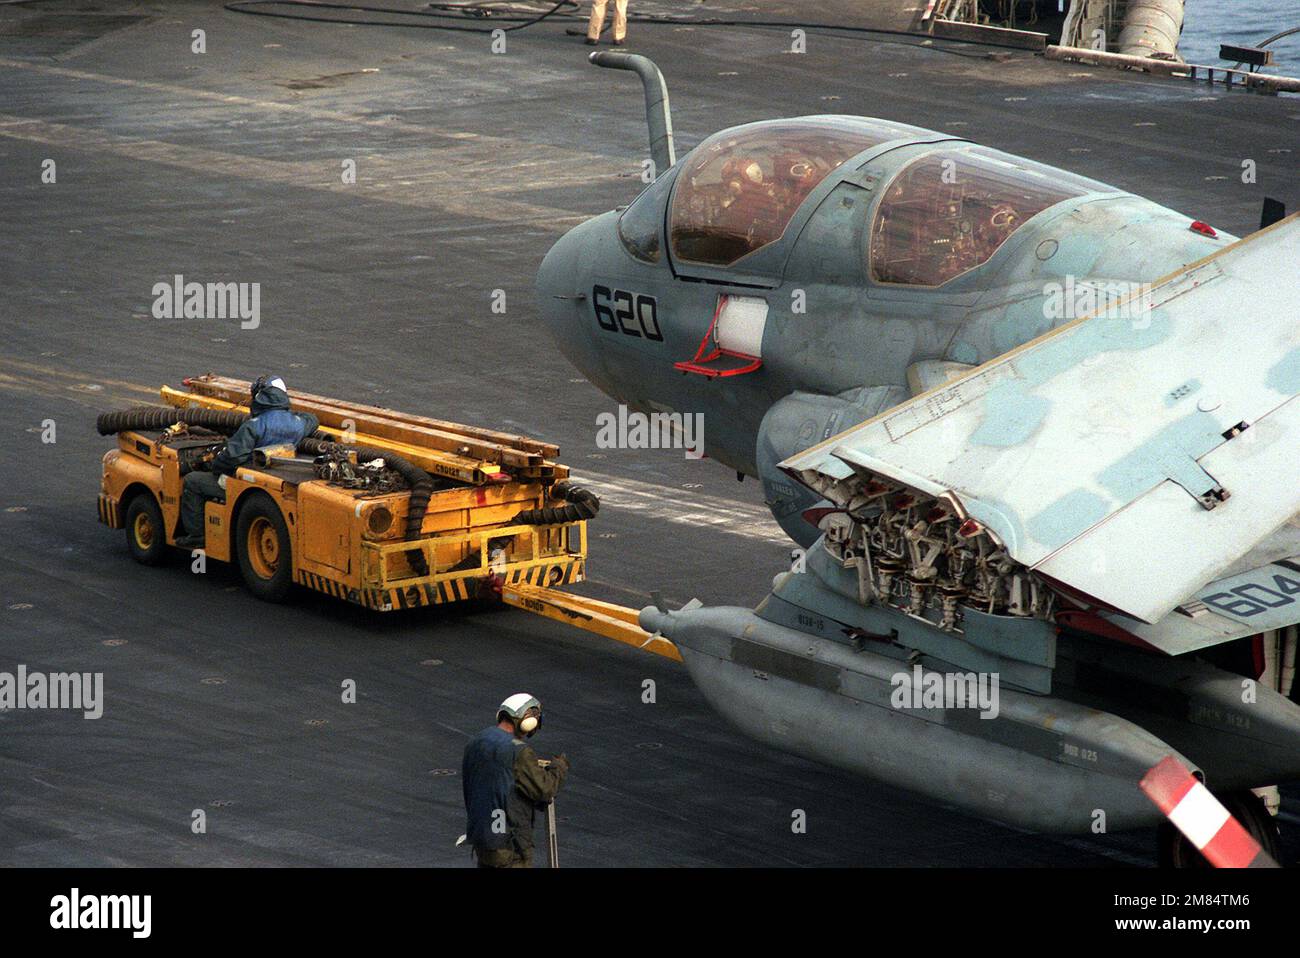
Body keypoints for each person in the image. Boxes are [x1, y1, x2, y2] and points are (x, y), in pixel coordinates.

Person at [175, 376, 319, 549]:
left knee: (192, 481)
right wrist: (287, 415)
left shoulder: (254, 426)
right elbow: (312, 419)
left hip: (243, 482)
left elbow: (232, 458)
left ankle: (197, 536)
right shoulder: (297, 424)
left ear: (261, 397)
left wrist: (214, 466)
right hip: (274, 480)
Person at [461, 694, 569, 868]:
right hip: (509, 844)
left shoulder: (476, 742)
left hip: (483, 839)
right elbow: (545, 789)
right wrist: (559, 768)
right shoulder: (519, 751)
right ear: (527, 720)